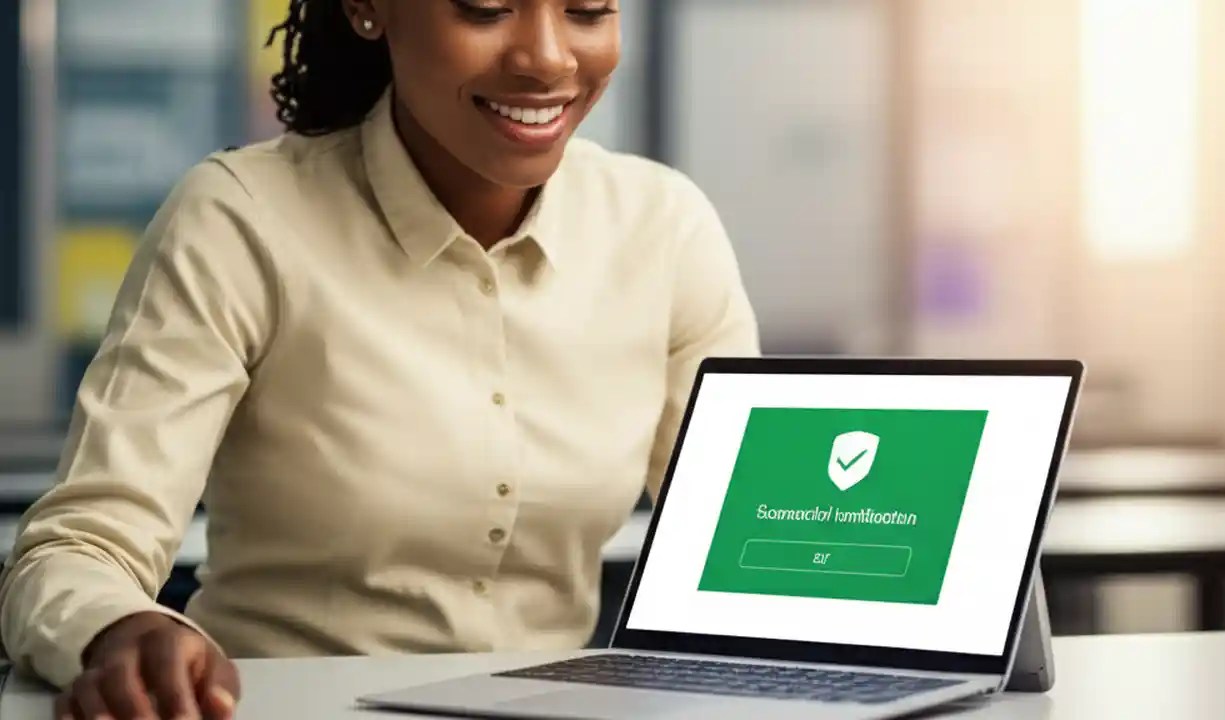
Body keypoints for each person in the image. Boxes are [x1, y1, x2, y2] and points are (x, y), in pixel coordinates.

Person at [0, 1, 759, 718]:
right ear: (368, 5)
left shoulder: (663, 227)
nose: (547, 57)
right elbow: (79, 548)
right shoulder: (240, 219)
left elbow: (747, 550)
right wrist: (120, 630)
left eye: (588, 9)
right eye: (486, 7)